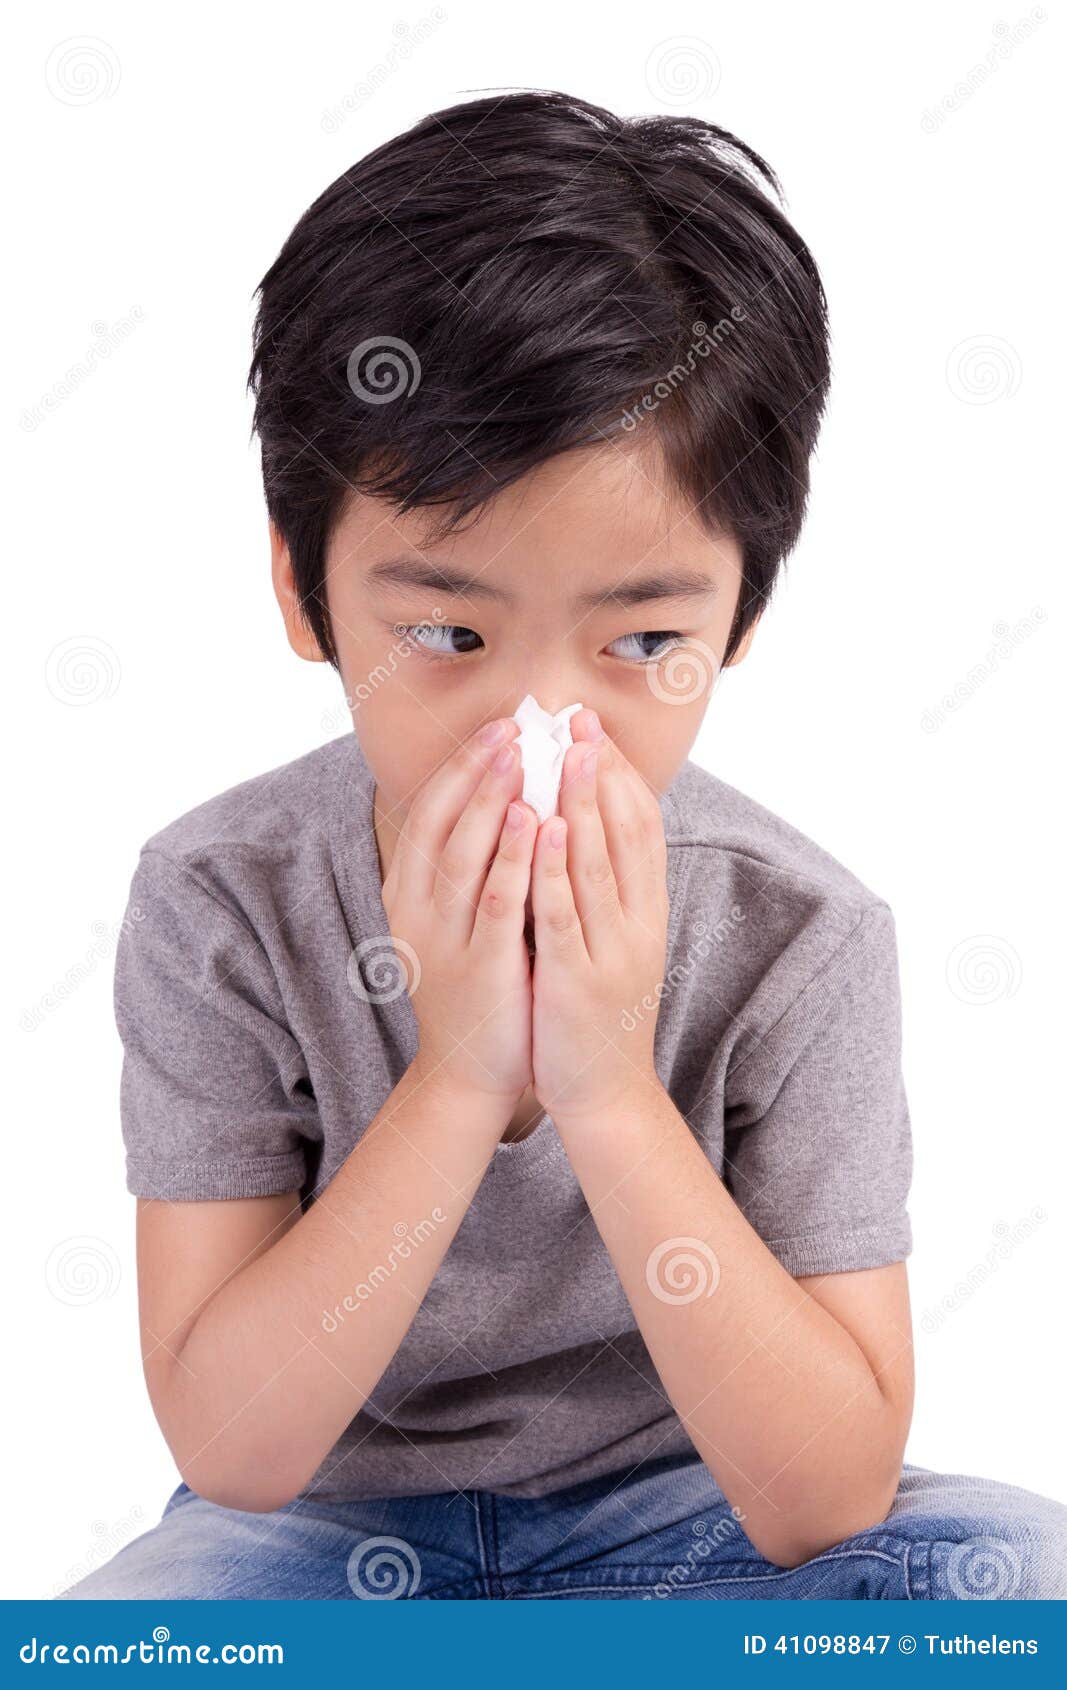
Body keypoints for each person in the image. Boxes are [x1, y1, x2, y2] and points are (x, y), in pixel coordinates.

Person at [59, 90, 1067, 1600]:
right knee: (134, 1625)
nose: (540, 722)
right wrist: (460, 1073)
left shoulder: (800, 931)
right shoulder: (222, 899)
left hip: (698, 1522)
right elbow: (234, 1447)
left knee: (1021, 1573)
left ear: (741, 623)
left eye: (641, 637)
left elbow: (828, 1491)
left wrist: (603, 1079)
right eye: (449, 631)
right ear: (303, 590)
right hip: (316, 1539)